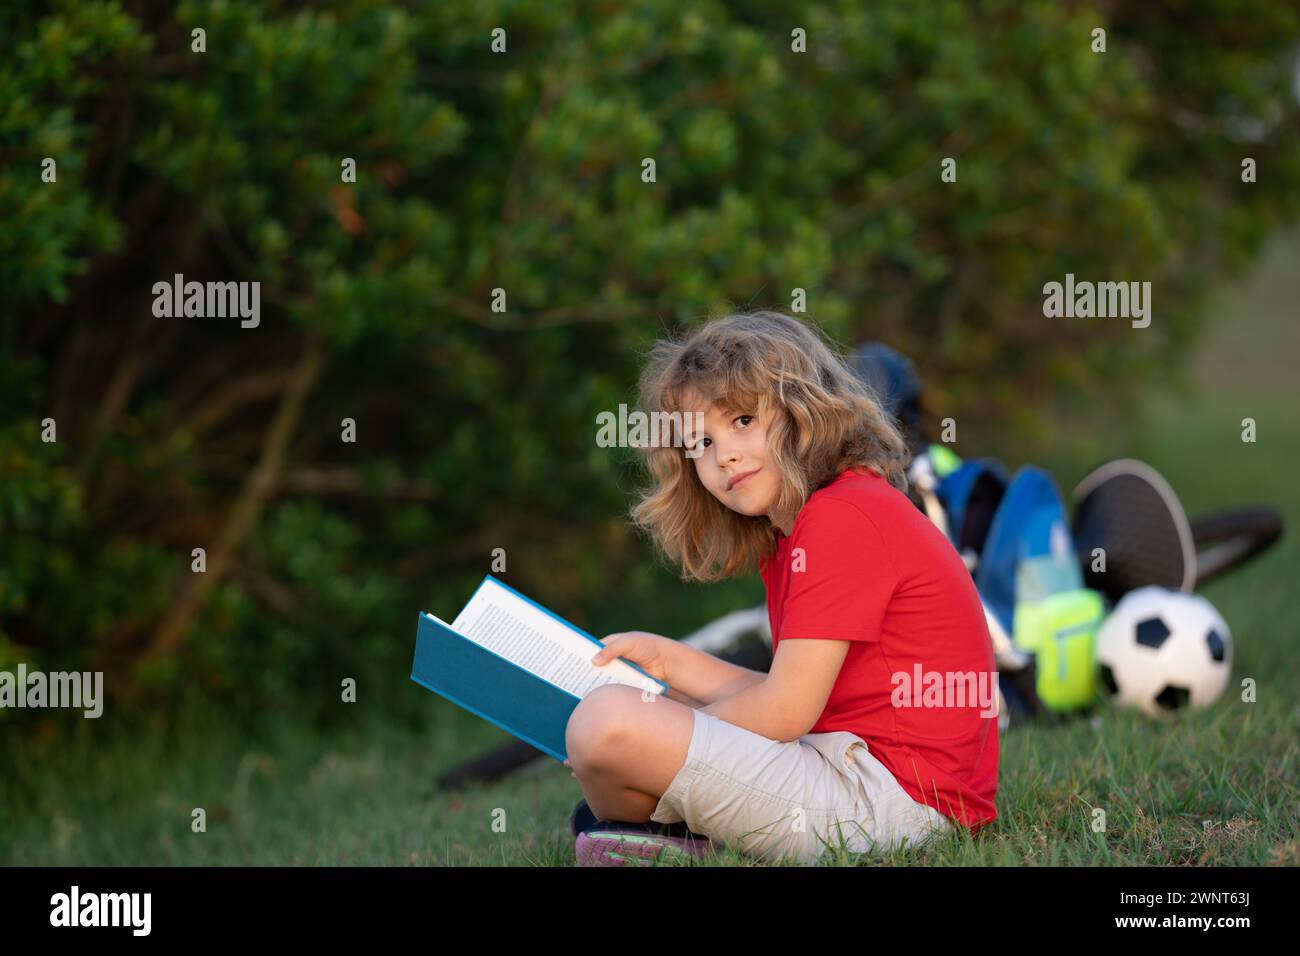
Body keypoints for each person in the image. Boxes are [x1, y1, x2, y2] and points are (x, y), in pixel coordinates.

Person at [564, 309, 998, 866]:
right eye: (701, 443)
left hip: (898, 800)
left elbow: (785, 710)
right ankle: (656, 828)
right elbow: (798, 696)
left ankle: (653, 823)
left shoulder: (842, 517)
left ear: (802, 410)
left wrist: (648, 736)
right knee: (644, 707)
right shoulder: (798, 532)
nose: (724, 455)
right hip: (861, 771)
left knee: (609, 722)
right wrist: (671, 665)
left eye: (743, 420)